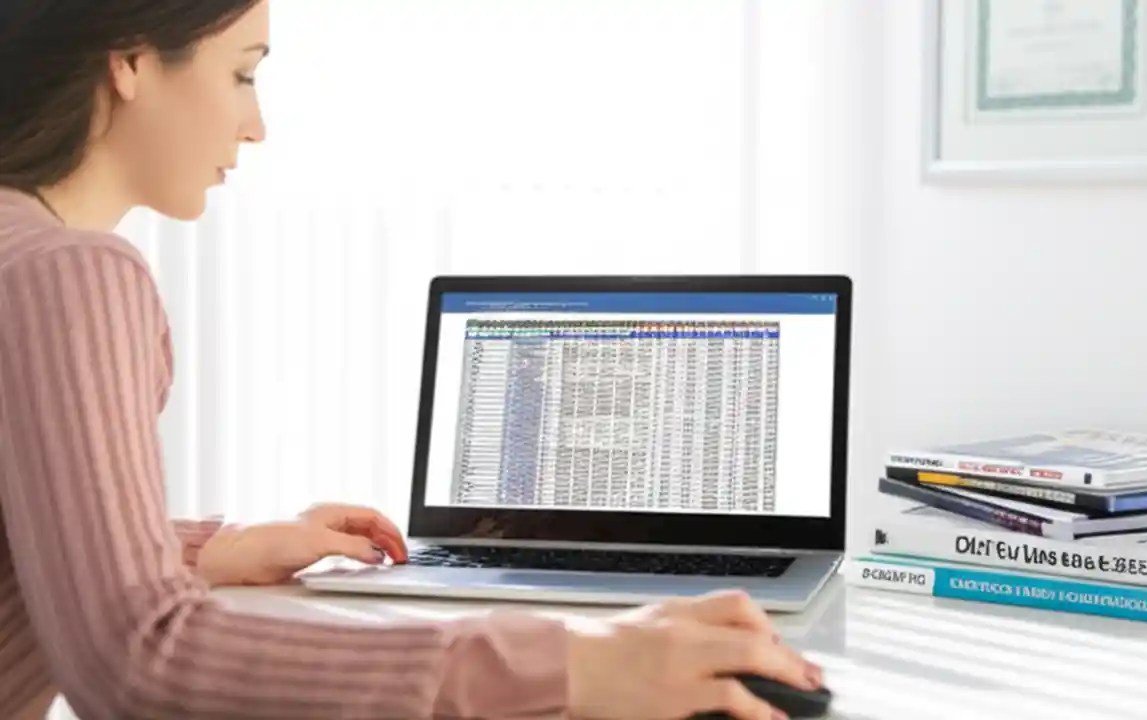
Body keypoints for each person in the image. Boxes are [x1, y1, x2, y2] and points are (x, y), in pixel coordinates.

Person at [0, 1, 824, 718]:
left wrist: (211, 548)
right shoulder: (70, 273)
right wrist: (581, 664)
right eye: (244, 75)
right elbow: (142, 661)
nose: (257, 125)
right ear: (131, 62)